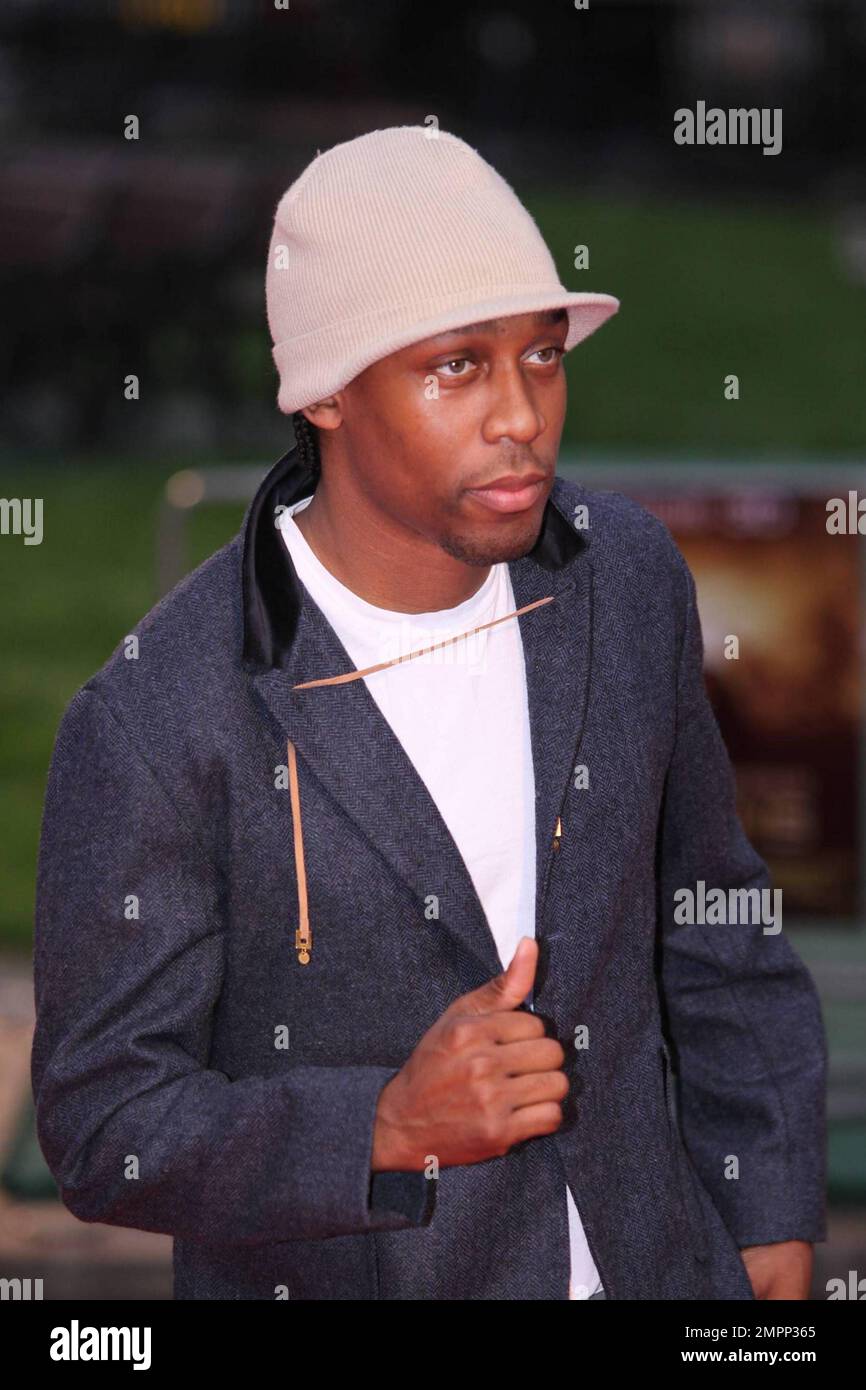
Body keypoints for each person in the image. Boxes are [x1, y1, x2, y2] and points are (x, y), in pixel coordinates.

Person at [31, 126, 826, 1300]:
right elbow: (107, 1124)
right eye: (457, 365)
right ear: (328, 394)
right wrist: (380, 1128)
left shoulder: (623, 578)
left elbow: (712, 929)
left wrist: (765, 1230)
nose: (521, 414)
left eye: (542, 356)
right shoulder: (160, 718)